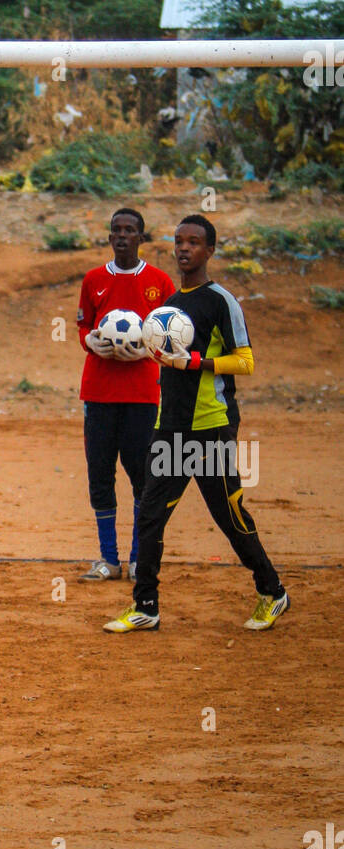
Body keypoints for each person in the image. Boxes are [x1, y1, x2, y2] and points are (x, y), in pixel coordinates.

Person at [104, 214, 289, 633]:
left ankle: (273, 591)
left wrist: (197, 362)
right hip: (169, 427)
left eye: (194, 242)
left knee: (229, 517)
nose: (184, 249)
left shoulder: (221, 300)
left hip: (210, 427)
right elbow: (167, 361)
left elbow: (246, 361)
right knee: (150, 515)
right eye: (179, 241)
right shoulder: (168, 305)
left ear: (210, 251)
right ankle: (145, 606)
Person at [77, 209, 175, 580]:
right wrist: (89, 341)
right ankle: (108, 559)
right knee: (100, 474)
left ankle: (138, 559)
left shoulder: (159, 281)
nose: (122, 236)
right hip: (99, 393)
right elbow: (85, 322)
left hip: (142, 394)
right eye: (116, 230)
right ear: (109, 237)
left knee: (142, 476)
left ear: (141, 238)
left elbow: (171, 333)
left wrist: (151, 349)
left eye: (129, 230)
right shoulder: (93, 279)